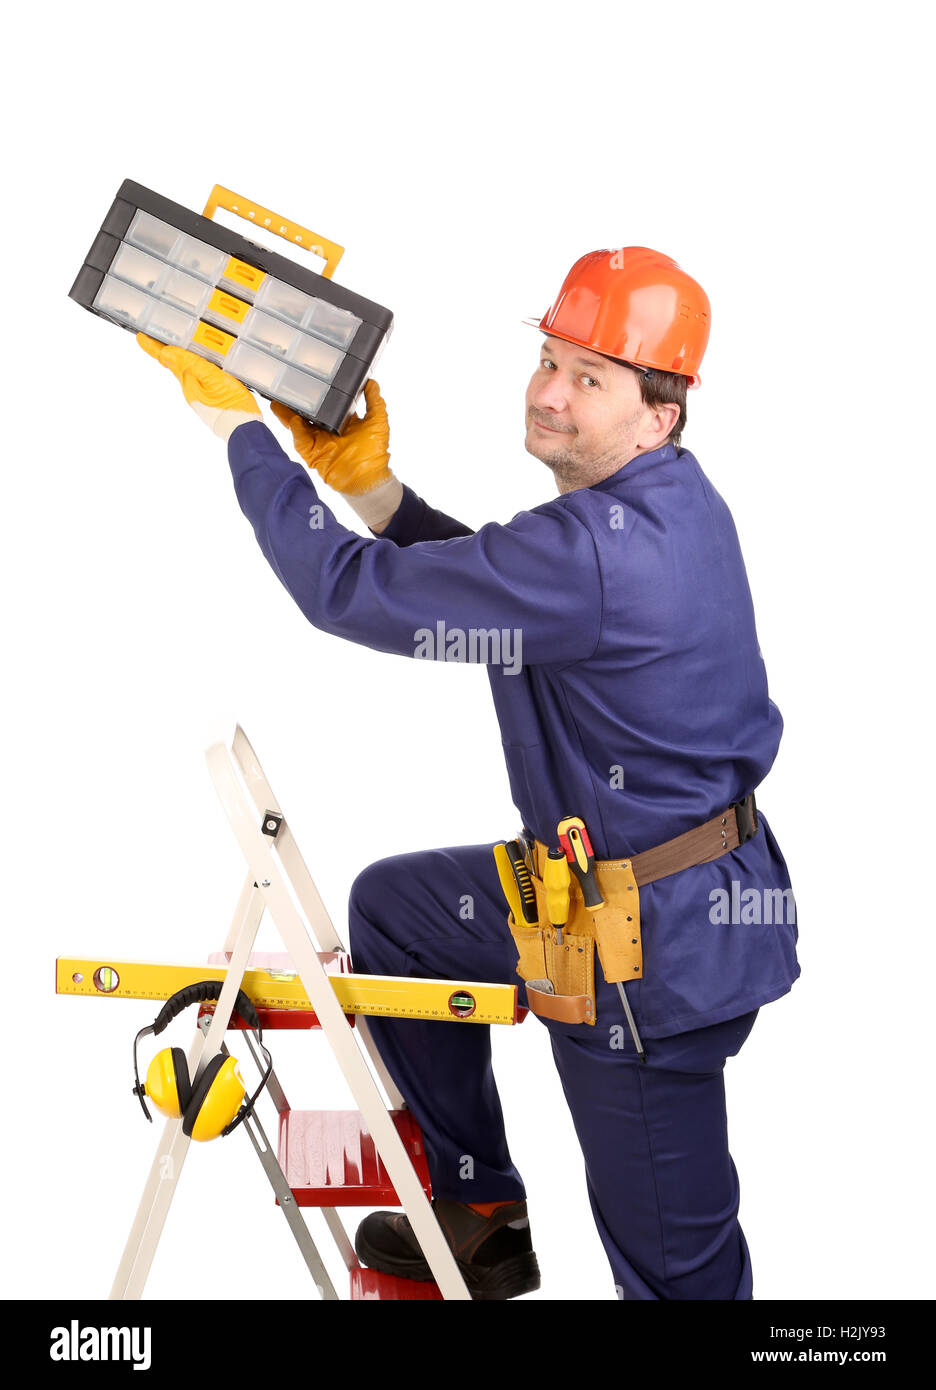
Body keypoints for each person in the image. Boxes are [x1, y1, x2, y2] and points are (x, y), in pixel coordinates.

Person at [137, 246, 800, 1301]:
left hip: (642, 954)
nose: (548, 391)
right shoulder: (663, 507)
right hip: (664, 894)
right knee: (400, 912)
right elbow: (498, 600)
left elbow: (350, 596)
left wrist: (240, 432)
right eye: (548, 357)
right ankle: (476, 1202)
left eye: (590, 377)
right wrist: (372, 489)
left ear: (658, 413)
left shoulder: (596, 552)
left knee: (677, 1272)